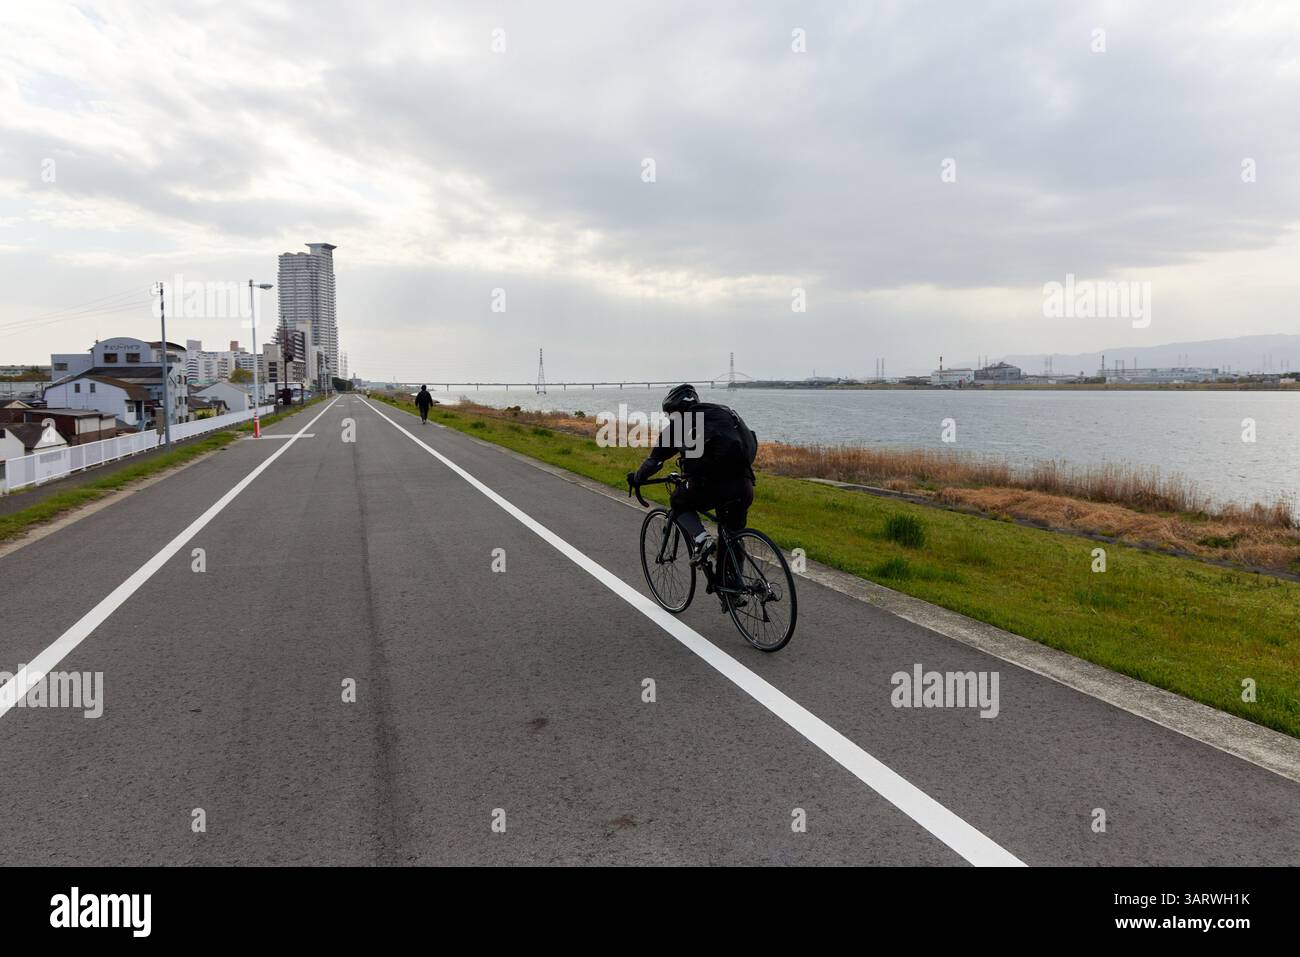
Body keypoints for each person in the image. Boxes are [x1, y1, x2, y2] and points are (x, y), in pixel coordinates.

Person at [627, 384, 756, 569]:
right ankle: (734, 591)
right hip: (744, 484)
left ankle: (702, 540)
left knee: (678, 501)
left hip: (713, 485)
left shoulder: (679, 426)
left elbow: (654, 461)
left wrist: (637, 478)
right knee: (732, 535)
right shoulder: (720, 414)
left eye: (669, 415)